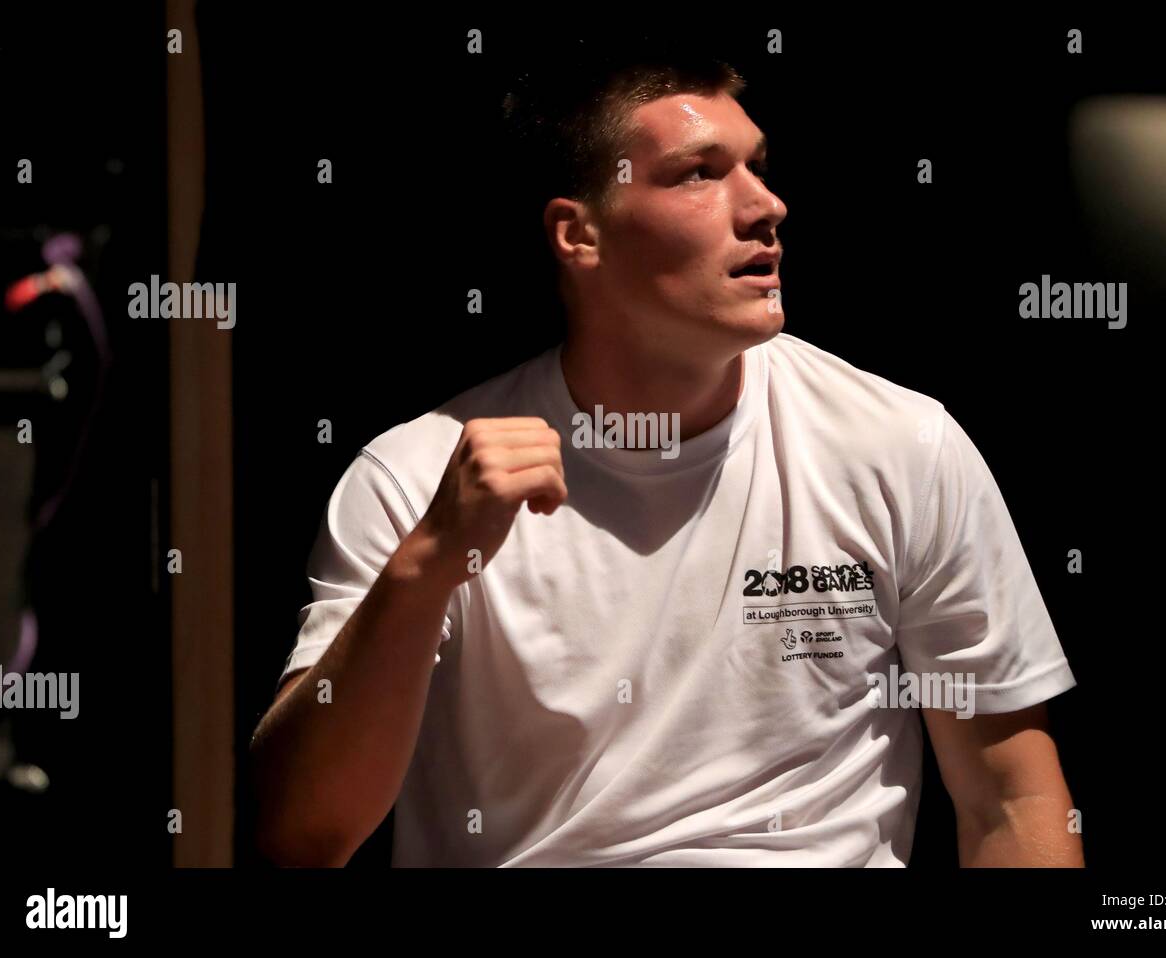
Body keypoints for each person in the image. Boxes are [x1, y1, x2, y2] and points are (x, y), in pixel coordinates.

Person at [249, 50, 1082, 867]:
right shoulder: (415, 476)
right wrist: (427, 564)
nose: (767, 207)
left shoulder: (902, 443)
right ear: (578, 234)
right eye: (699, 174)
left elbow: (1013, 800)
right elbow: (301, 834)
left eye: (758, 165)